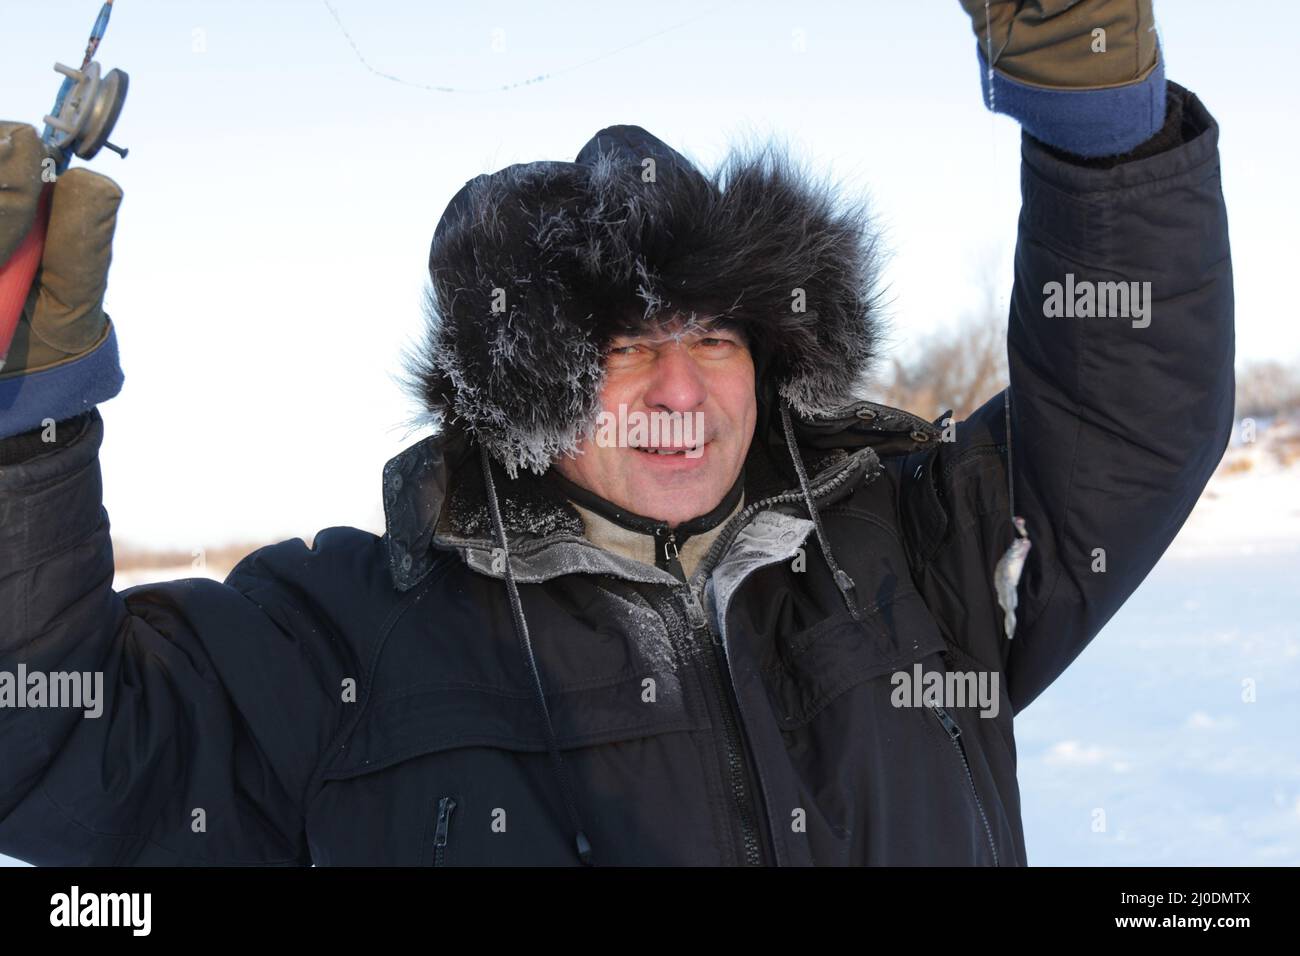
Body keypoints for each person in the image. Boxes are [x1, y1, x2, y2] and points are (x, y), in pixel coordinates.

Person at [0, 0, 1233, 865]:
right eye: (626, 348)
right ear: (532, 387)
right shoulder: (355, 631)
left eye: (716, 337)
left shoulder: (911, 551)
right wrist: (25, 437)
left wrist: (1099, 136)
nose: (681, 389)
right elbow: (51, 745)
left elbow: (1127, 421)